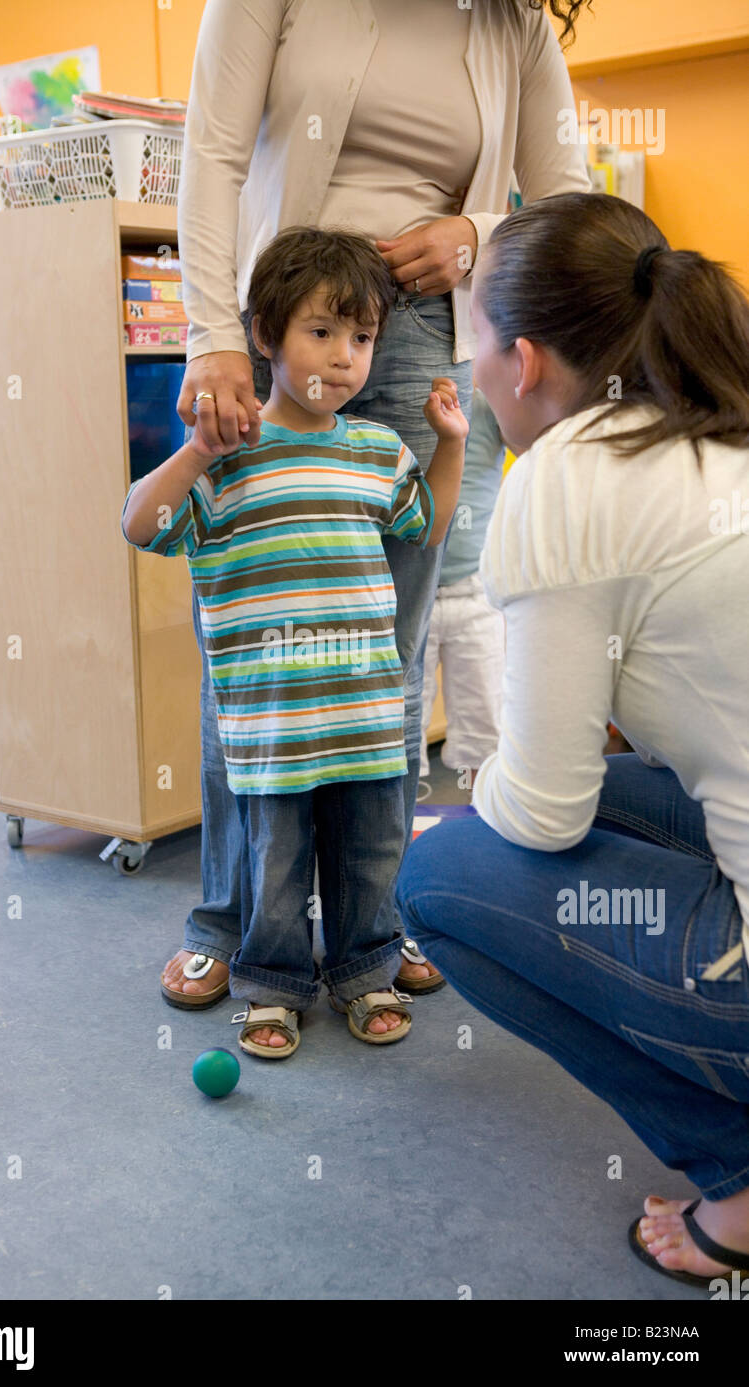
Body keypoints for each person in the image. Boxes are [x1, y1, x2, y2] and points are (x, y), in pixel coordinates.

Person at [162, 0, 594, 1010]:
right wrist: (210, 334)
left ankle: (369, 920)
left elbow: (570, 207)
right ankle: (227, 917)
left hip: (414, 342)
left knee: (383, 656)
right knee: (248, 638)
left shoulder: (510, 24)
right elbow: (214, 155)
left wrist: (476, 236)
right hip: (274, 321)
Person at [396, 191, 749, 1288]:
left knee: (439, 876)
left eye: (474, 339)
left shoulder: (565, 471)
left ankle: (735, 1181)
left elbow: (538, 807)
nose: (469, 366)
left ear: (528, 359)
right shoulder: (716, 424)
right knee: (618, 786)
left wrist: (451, 806)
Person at [123, 228, 467, 1056]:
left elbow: (427, 528)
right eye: (322, 333)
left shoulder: (378, 451)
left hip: (367, 715)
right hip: (271, 725)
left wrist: (449, 444)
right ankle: (270, 985)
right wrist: (197, 453)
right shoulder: (230, 462)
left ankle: (366, 970)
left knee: (371, 852)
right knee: (275, 863)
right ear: (265, 337)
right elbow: (141, 525)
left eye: (362, 338)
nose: (346, 358)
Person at [419, 388, 506, 790]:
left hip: (476, 593)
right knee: (402, 729)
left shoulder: (488, 400)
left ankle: (482, 827)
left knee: (484, 729)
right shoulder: (402, 388)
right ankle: (398, 839)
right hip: (409, 590)